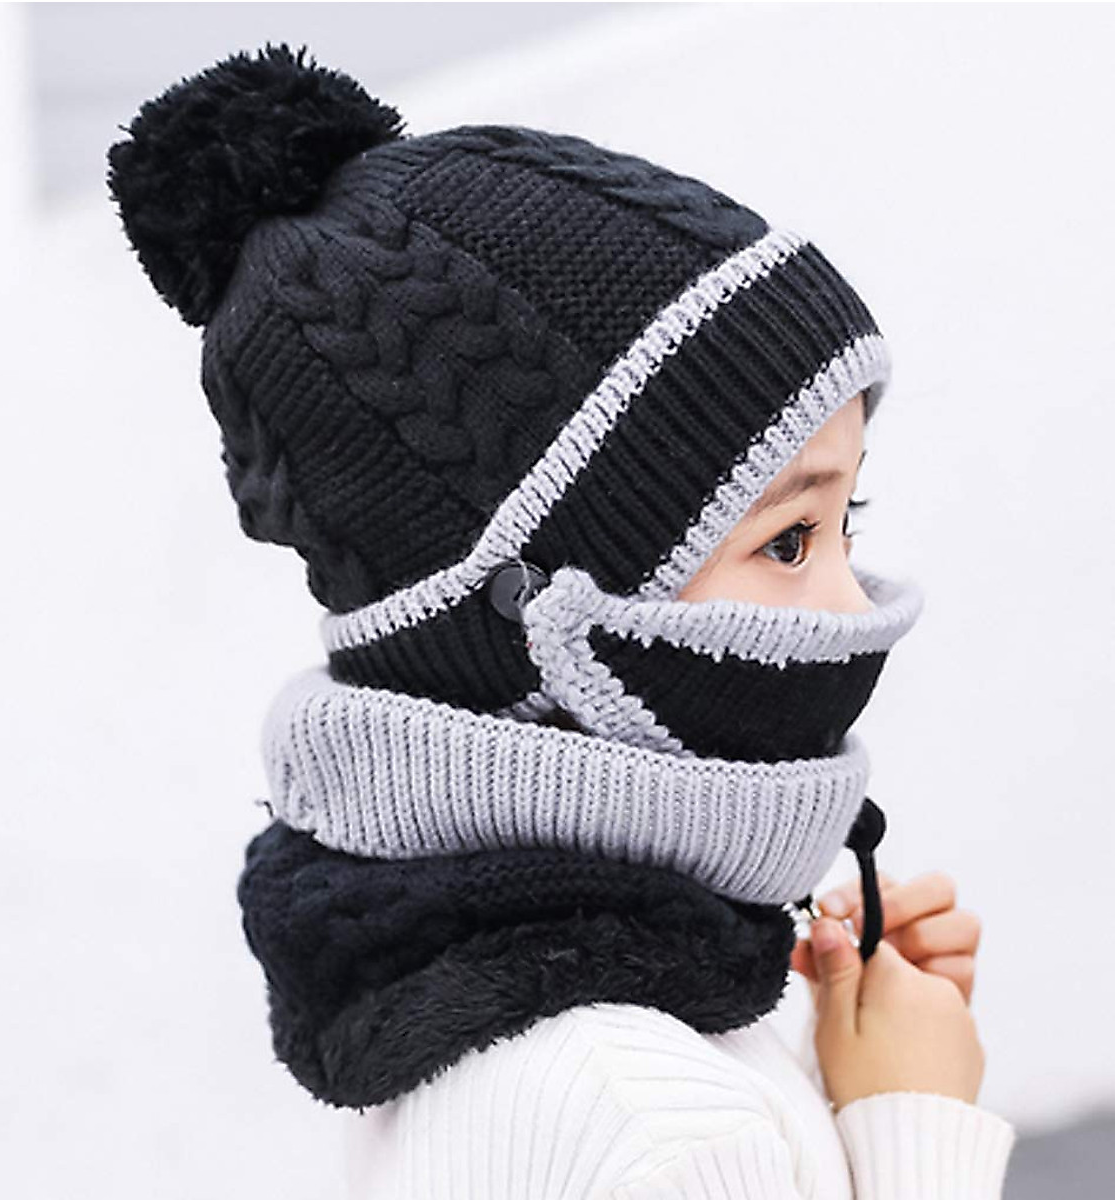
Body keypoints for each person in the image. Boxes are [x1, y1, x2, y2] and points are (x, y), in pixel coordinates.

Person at [108, 44, 1016, 1198]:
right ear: (525, 620)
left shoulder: (454, 996)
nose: (853, 604)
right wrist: (913, 1126)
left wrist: (827, 1087)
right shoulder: (661, 1123)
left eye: (850, 519)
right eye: (788, 540)